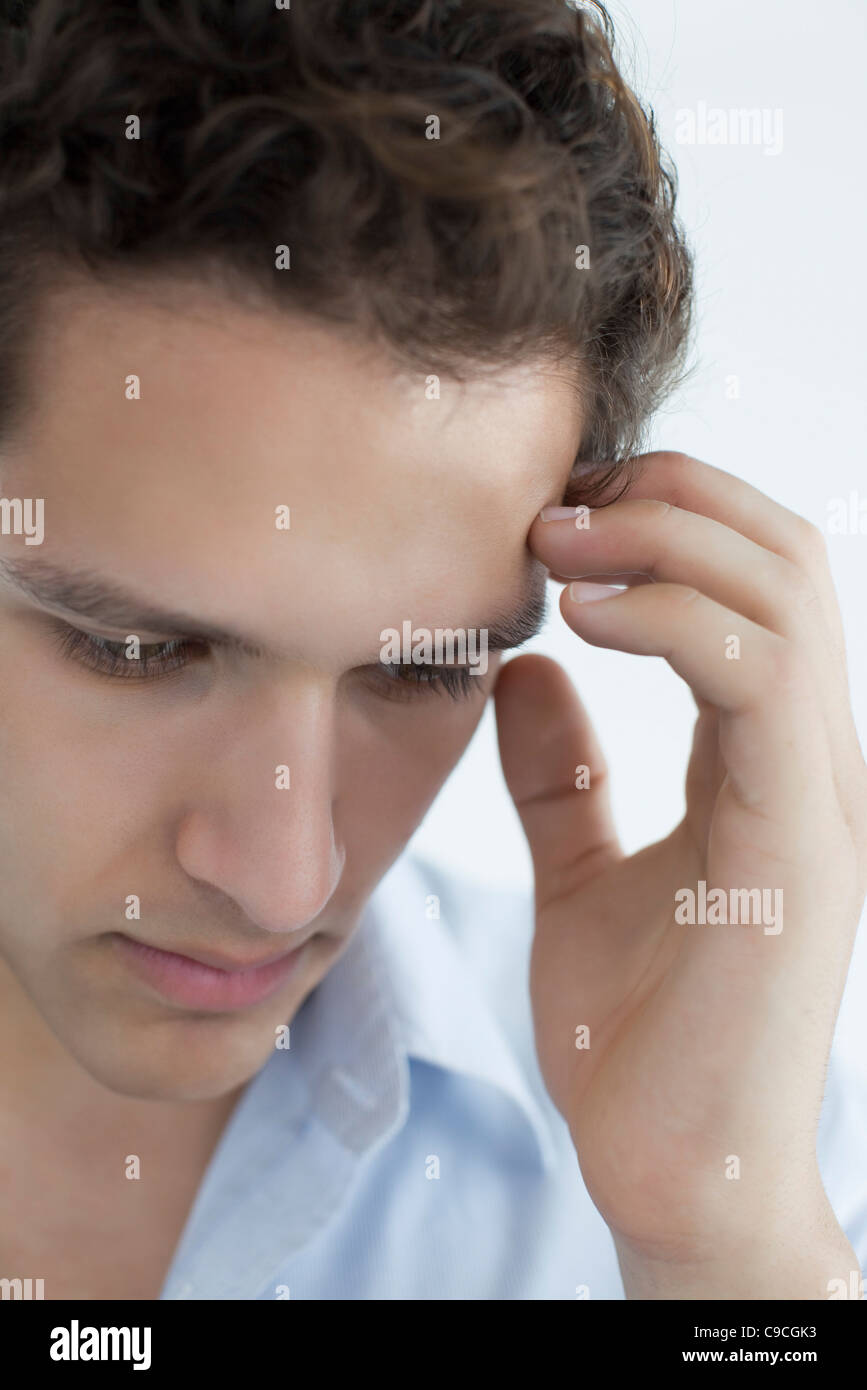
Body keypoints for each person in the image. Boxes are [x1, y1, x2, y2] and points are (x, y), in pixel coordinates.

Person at [0, 0, 864, 1302]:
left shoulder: (749, 1145)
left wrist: (714, 1244)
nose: (286, 884)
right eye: (134, 648)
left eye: (421, 670)